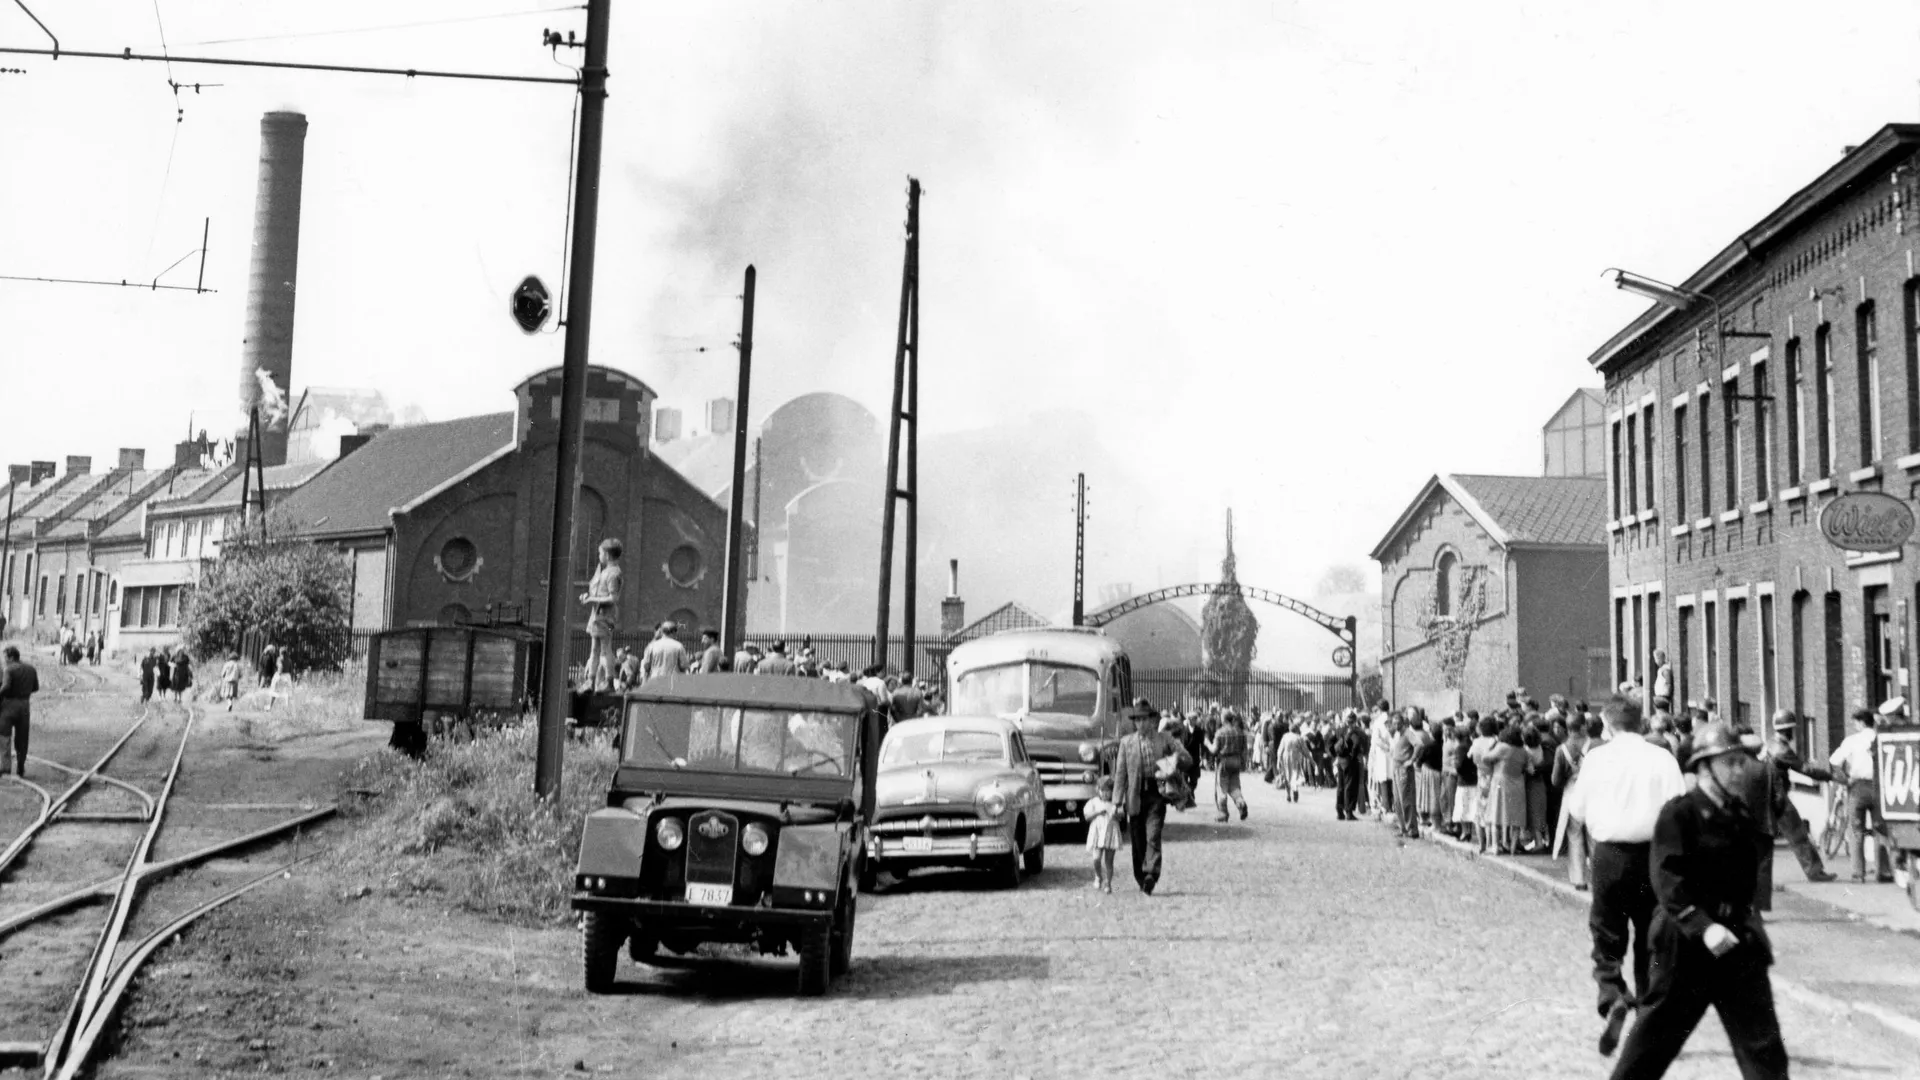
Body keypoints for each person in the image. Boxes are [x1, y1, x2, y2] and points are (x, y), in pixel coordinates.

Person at [1607, 723, 1792, 1080]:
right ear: (1704, 768)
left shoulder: (1738, 815)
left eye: (1741, 762)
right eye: (1731, 763)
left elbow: (1744, 886)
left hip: (1736, 942)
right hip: (1686, 944)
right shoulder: (1679, 813)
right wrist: (1703, 927)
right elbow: (1668, 880)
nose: (1740, 770)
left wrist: (1753, 932)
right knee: (1654, 1042)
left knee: (1764, 1048)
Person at [1566, 695, 1686, 1058]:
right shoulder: (1662, 757)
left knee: (1607, 931)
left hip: (1610, 855)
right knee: (1652, 939)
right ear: (1641, 722)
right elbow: (1680, 807)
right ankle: (1648, 1018)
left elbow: (1579, 811)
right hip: (1653, 855)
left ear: (1608, 724)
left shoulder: (1598, 758)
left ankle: (1614, 995)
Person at [1111, 702, 1191, 895]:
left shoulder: (1164, 739)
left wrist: (1175, 758)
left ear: (1152, 720)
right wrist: (1116, 802)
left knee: (1153, 835)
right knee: (1138, 840)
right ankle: (1142, 878)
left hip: (1156, 794)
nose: (1141, 723)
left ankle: (1151, 874)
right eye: (1137, 720)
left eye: (1144, 719)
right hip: (1135, 796)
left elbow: (1187, 759)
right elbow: (1121, 774)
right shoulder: (1126, 742)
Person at [1758, 712, 1835, 883]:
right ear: (1786, 730)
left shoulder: (1769, 744)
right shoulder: (1782, 750)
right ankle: (1815, 871)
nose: (1793, 733)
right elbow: (1806, 770)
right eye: (1791, 729)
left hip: (1764, 795)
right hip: (1778, 797)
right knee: (1797, 833)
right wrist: (1830, 776)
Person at [1829, 706, 1895, 883]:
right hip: (1879, 788)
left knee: (1856, 831)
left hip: (1857, 788)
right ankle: (1884, 872)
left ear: (1860, 722)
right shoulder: (1881, 738)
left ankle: (1858, 874)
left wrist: (1845, 779)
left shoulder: (1852, 740)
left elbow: (1834, 762)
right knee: (1880, 829)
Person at [579, 538, 623, 692]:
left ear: (607, 555)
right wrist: (588, 596)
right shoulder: (605, 572)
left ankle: (609, 682)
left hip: (605, 616)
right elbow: (599, 591)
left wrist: (592, 599)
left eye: (600, 553)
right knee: (594, 649)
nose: (599, 556)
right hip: (597, 615)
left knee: (606, 649)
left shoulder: (613, 573)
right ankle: (591, 682)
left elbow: (613, 597)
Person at [0, 645, 40, 777]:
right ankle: (20, 767)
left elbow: (5, 687)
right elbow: (36, 688)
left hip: (8, 706)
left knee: (5, 737)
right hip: (24, 706)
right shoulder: (31, 669)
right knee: (22, 738)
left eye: (5, 657)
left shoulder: (8, 670)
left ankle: (6, 768)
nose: (4, 660)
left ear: (11, 657)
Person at [1082, 775, 1122, 893]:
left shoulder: (1115, 804)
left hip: (1110, 833)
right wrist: (1098, 812)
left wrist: (1116, 815)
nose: (1105, 794)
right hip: (1098, 833)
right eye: (1102, 791)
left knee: (1109, 861)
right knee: (1097, 859)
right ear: (1098, 790)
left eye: (1108, 791)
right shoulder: (1093, 802)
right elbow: (1087, 817)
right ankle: (1098, 875)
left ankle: (1108, 884)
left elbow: (1121, 816)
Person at [1208, 711, 1249, 822]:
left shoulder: (1220, 732)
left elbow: (1214, 750)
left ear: (1223, 719)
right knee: (1235, 786)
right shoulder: (1240, 732)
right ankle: (1241, 803)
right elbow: (1244, 749)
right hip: (1236, 761)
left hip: (1224, 762)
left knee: (1222, 788)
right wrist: (1243, 762)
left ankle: (1223, 813)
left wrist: (1207, 743)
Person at [1332, 716, 1364, 820]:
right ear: (1354, 722)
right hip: (1349, 761)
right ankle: (1349, 811)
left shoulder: (1340, 730)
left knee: (1340, 786)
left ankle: (1339, 810)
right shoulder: (1354, 732)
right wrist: (1353, 756)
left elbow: (1331, 742)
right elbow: (1356, 744)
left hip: (1340, 759)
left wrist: (1335, 755)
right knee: (1350, 786)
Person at [1278, 720, 1309, 804]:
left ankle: (1288, 794)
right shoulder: (1298, 737)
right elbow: (1304, 749)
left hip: (1286, 758)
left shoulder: (1285, 736)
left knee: (1287, 776)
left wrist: (1278, 760)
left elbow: (1280, 749)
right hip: (1295, 758)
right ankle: (1295, 791)